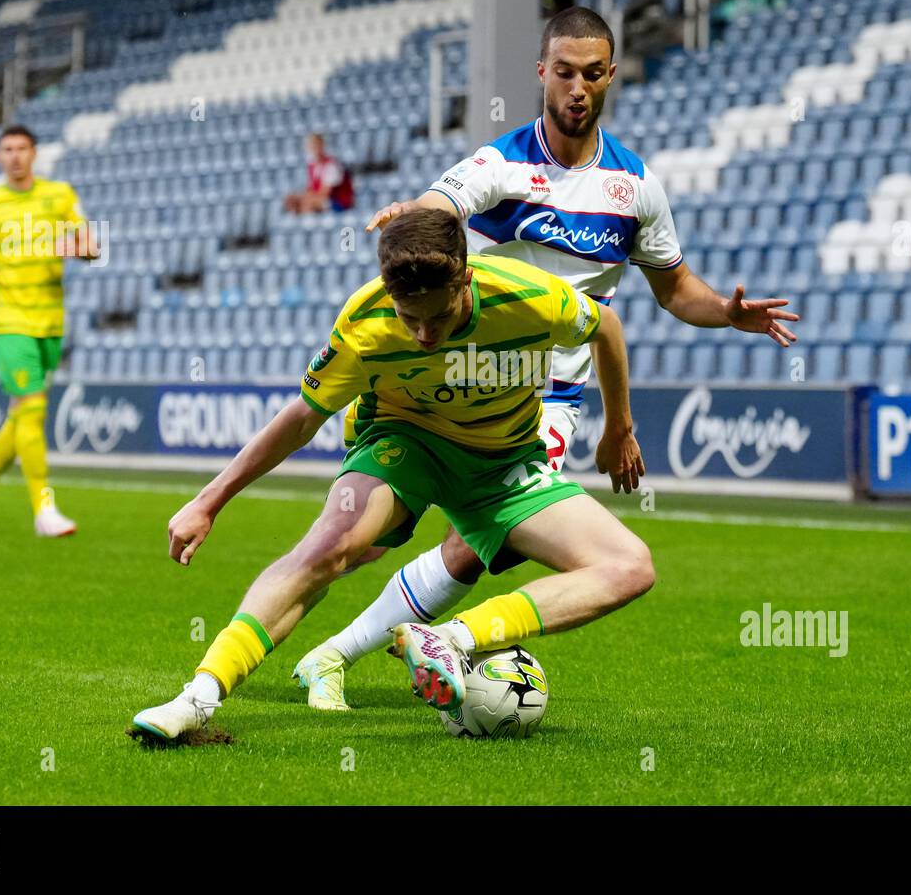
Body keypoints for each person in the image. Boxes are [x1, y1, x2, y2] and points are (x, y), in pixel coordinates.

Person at [289, 6, 799, 711]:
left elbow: (676, 289)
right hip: (465, 381)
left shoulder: (635, 188)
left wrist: (726, 313)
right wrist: (418, 212)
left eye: (593, 74)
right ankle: (333, 646)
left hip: (546, 397)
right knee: (380, 542)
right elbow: (445, 206)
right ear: (542, 74)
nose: (578, 88)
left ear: (611, 76)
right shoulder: (503, 163)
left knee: (480, 544)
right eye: (564, 72)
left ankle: (366, 651)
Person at [131, 208, 649, 739]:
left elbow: (606, 326)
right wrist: (209, 501)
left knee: (629, 566)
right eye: (410, 318)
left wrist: (618, 428)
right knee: (330, 549)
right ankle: (196, 699)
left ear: (466, 278)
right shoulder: (365, 320)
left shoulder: (530, 296)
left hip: (504, 463)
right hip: (404, 443)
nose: (425, 335)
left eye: (439, 318)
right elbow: (303, 417)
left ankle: (452, 638)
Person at [0, 125, 98, 538]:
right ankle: (43, 510)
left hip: (51, 321)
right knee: (33, 410)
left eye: (22, 148)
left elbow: (92, 246)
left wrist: (72, 247)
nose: (15, 156)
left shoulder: (60, 194)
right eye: (7, 149)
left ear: (35, 153)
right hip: (9, 322)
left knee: (22, 418)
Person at [283, 132, 354, 213]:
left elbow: (324, 194)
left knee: (307, 207)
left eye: (316, 145)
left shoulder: (331, 165)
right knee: (297, 205)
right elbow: (312, 189)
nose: (314, 149)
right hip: (324, 201)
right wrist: (298, 198)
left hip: (338, 203)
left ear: (322, 145)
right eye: (312, 146)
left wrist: (302, 199)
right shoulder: (312, 166)